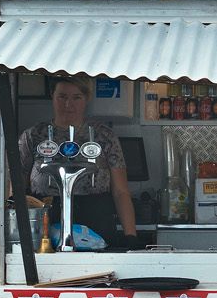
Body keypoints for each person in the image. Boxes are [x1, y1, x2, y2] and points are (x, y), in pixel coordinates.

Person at [19, 76, 138, 249]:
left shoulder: (104, 136)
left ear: (87, 98)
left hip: (95, 218)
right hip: (45, 219)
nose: (68, 104)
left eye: (76, 98)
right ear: (52, 95)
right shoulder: (33, 136)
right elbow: (16, 188)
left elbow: (120, 191)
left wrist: (130, 236)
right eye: (62, 97)